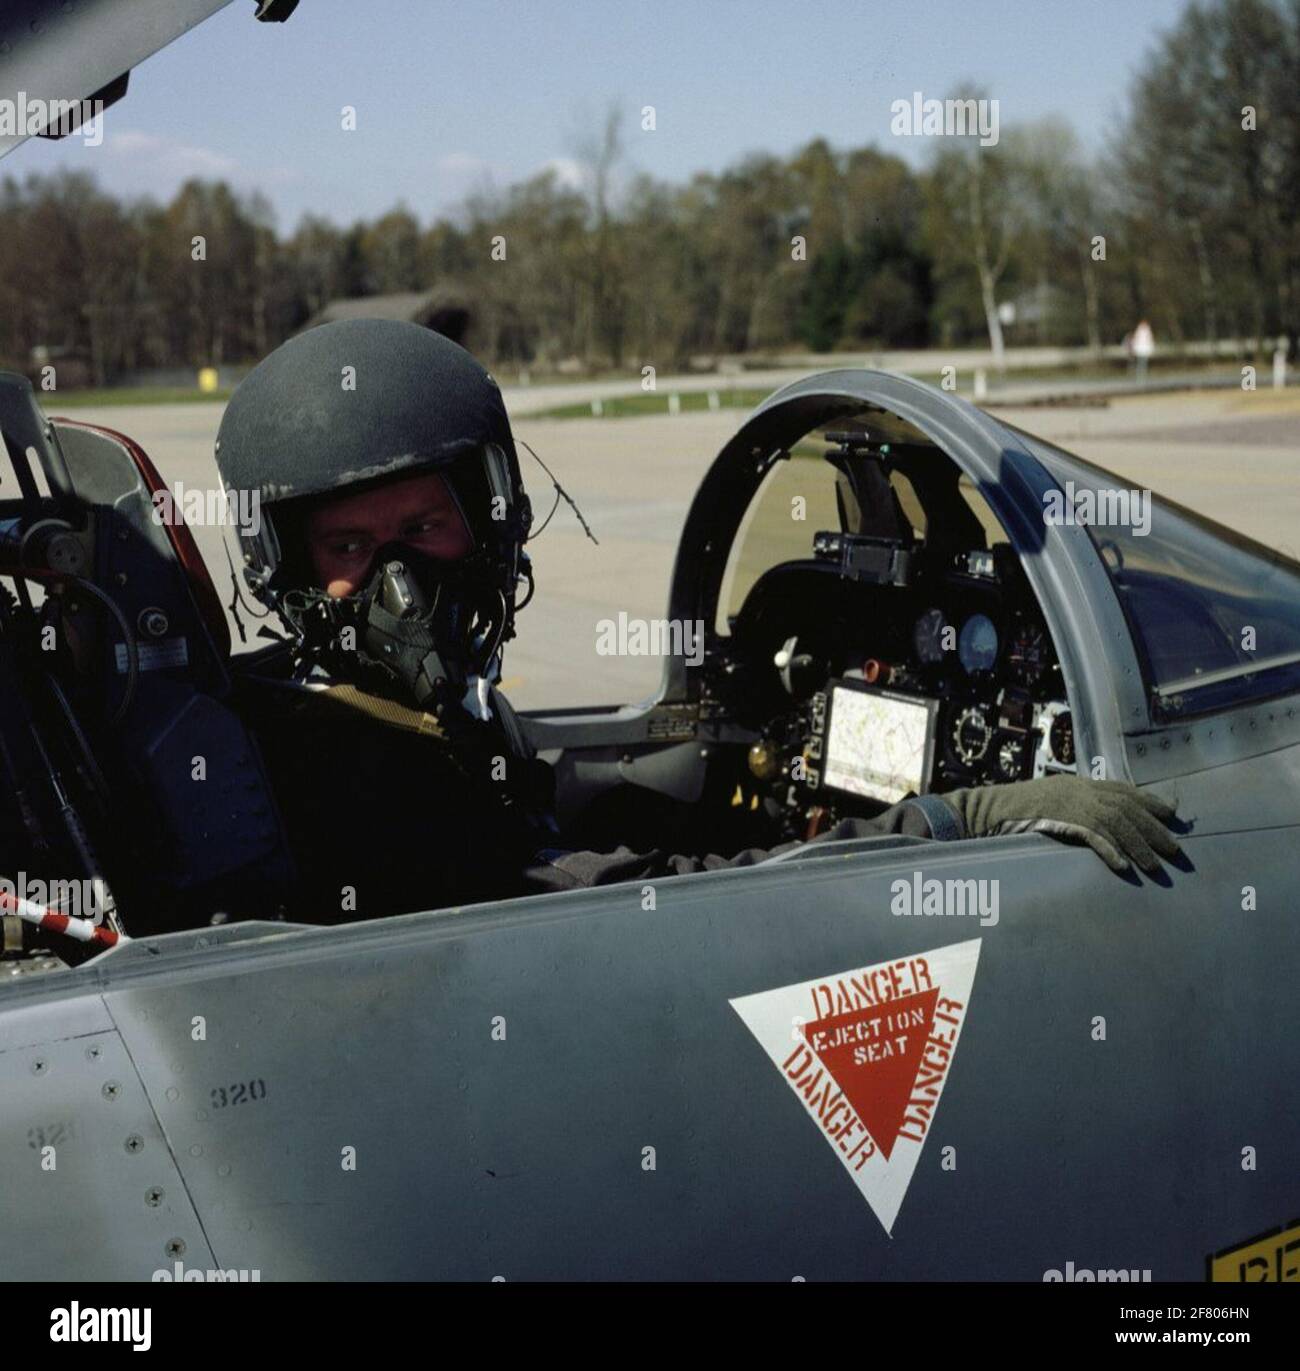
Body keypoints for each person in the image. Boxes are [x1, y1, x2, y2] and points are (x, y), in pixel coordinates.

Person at [214, 319, 1181, 923]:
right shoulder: (360, 770)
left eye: (424, 528)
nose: (399, 585)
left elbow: (546, 820)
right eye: (351, 548)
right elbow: (674, 906)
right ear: (289, 565)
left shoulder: (358, 709)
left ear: (484, 520)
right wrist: (952, 815)